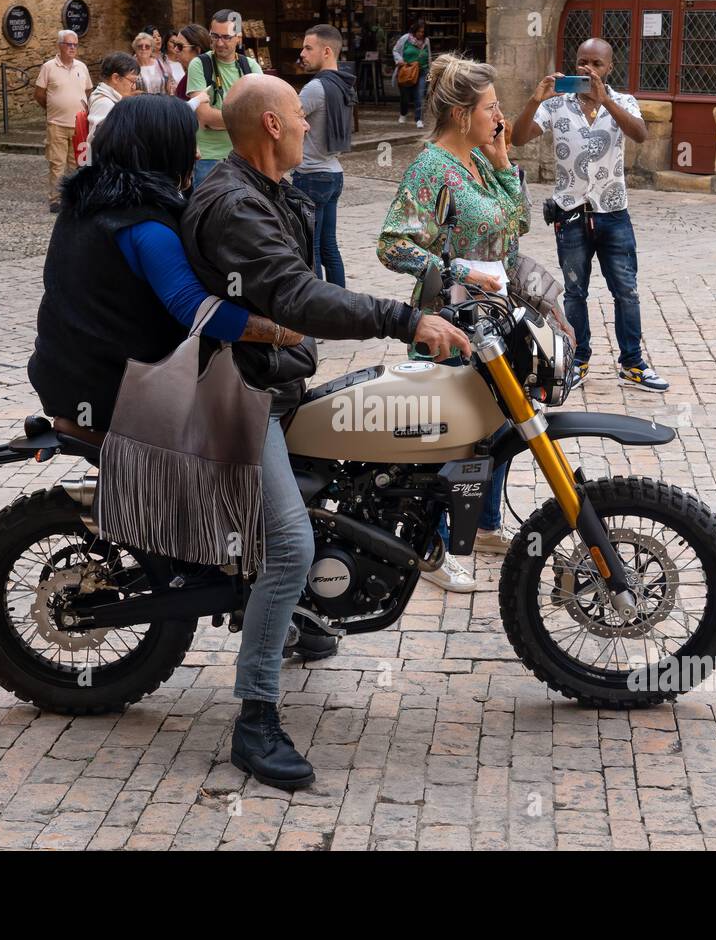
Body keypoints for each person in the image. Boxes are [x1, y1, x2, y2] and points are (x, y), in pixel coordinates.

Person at [180, 73, 469, 790]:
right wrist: (403, 319)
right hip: (237, 395)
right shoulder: (236, 206)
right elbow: (298, 293)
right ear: (272, 127)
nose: (313, 126)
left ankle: (304, 614)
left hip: (270, 377)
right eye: (300, 119)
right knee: (290, 546)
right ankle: (255, 719)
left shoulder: (266, 189)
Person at [28, 94, 302, 445]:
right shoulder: (145, 226)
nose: (197, 154)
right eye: (189, 144)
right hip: (115, 388)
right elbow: (197, 311)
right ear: (162, 149)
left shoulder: (85, 203)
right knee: (248, 424)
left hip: (65, 373)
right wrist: (281, 331)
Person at [377, 53, 528, 593]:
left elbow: (521, 221)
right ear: (463, 113)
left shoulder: (480, 160)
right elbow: (392, 244)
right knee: (453, 439)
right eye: (491, 108)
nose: (500, 116)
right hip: (452, 320)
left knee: (500, 425)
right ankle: (432, 544)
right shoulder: (430, 169)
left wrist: (504, 156)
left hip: (495, 317)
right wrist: (458, 268)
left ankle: (483, 526)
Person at [510, 38, 669, 391]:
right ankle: (578, 361)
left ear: (609, 67)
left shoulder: (623, 102)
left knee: (626, 292)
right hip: (570, 215)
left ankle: (632, 364)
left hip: (613, 214)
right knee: (575, 293)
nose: (588, 69)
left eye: (597, 64)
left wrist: (606, 100)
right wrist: (536, 99)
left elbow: (640, 134)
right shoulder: (557, 105)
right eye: (583, 62)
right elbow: (518, 139)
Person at [292, 24, 357, 287]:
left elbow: (288, 121)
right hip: (333, 173)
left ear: (327, 51)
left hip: (311, 175)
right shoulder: (343, 84)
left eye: (308, 48)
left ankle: (318, 310)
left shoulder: (316, 87)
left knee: (312, 248)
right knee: (329, 246)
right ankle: (340, 305)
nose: (302, 54)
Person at [186, 9, 256, 189]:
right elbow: (204, 116)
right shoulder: (200, 64)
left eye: (226, 37)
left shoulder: (250, 66)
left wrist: (219, 120)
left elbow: (261, 112)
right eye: (214, 36)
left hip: (245, 157)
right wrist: (245, 121)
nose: (219, 43)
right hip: (209, 158)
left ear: (239, 37)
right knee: (208, 214)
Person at [34, 30, 92, 213]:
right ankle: (56, 200)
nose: (73, 48)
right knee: (57, 164)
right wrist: (54, 108)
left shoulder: (82, 67)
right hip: (57, 124)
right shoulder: (49, 67)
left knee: (80, 163)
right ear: (60, 45)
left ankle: (78, 196)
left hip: (80, 125)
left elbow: (88, 92)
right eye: (69, 44)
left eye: (75, 44)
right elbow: (39, 95)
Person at [87, 53, 138, 141]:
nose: (134, 87)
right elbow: (99, 140)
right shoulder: (104, 103)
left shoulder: (109, 99)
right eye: (132, 81)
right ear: (116, 78)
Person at [392, 21, 431, 129]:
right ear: (414, 31)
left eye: (423, 32)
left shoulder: (426, 41)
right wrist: (399, 60)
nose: (421, 34)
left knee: (419, 95)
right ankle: (403, 113)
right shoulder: (405, 38)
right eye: (418, 31)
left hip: (422, 71)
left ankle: (418, 119)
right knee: (405, 96)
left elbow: (429, 58)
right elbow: (395, 50)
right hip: (407, 71)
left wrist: (430, 77)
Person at [173, 24, 211, 100]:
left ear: (197, 50)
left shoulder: (204, 77)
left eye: (180, 46)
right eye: (175, 45)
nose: (175, 49)